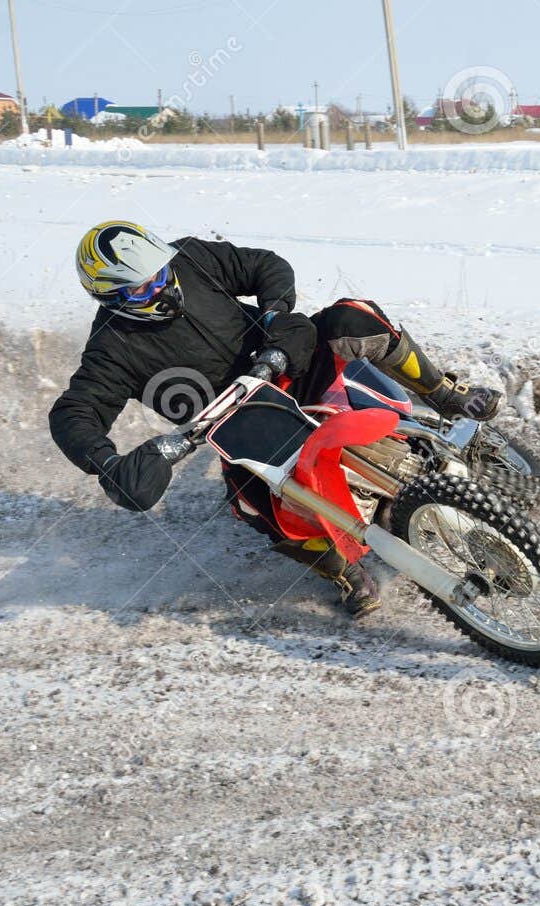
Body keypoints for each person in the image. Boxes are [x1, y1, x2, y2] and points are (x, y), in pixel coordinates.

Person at [49, 220, 501, 619]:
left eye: (160, 274)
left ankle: (445, 394)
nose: (162, 288)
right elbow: (74, 412)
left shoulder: (190, 257)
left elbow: (265, 265)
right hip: (241, 421)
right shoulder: (110, 349)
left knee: (353, 316)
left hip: (288, 358)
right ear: (109, 296)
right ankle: (344, 567)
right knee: (250, 505)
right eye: (142, 288)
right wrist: (107, 463)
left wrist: (275, 313)